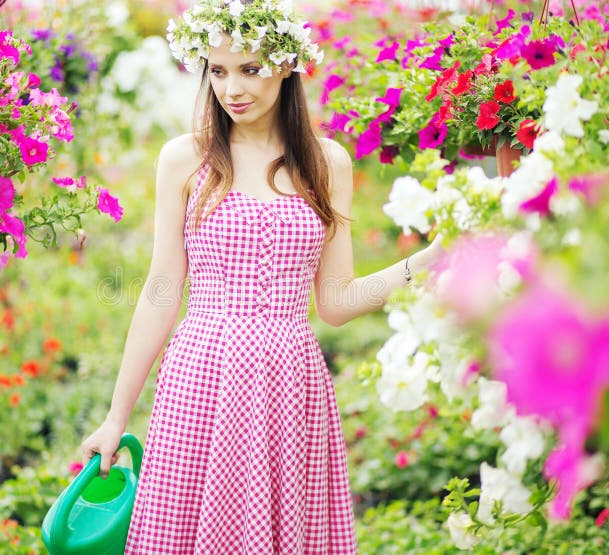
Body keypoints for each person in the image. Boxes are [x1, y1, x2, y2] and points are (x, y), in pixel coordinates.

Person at [80, 1, 443, 552]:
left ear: (286, 66)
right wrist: (115, 416)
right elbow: (160, 294)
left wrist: (431, 260)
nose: (232, 88)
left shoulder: (327, 163)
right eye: (218, 70)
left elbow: (337, 302)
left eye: (250, 69)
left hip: (290, 384)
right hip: (202, 376)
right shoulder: (186, 159)